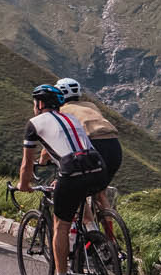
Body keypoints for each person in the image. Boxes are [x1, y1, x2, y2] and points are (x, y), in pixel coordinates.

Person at [14, 83, 109, 275]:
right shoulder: (72, 119)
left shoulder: (34, 124)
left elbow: (26, 164)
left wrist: (24, 184)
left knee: (61, 225)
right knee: (79, 198)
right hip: (98, 168)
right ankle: (93, 237)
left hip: (72, 173)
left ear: (39, 103)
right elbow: (74, 146)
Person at [50, 77, 124, 233]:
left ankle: (92, 230)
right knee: (100, 192)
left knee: (77, 191)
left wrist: (43, 159)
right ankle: (109, 239)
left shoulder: (62, 111)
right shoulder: (91, 105)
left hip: (93, 145)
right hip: (114, 145)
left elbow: (59, 137)